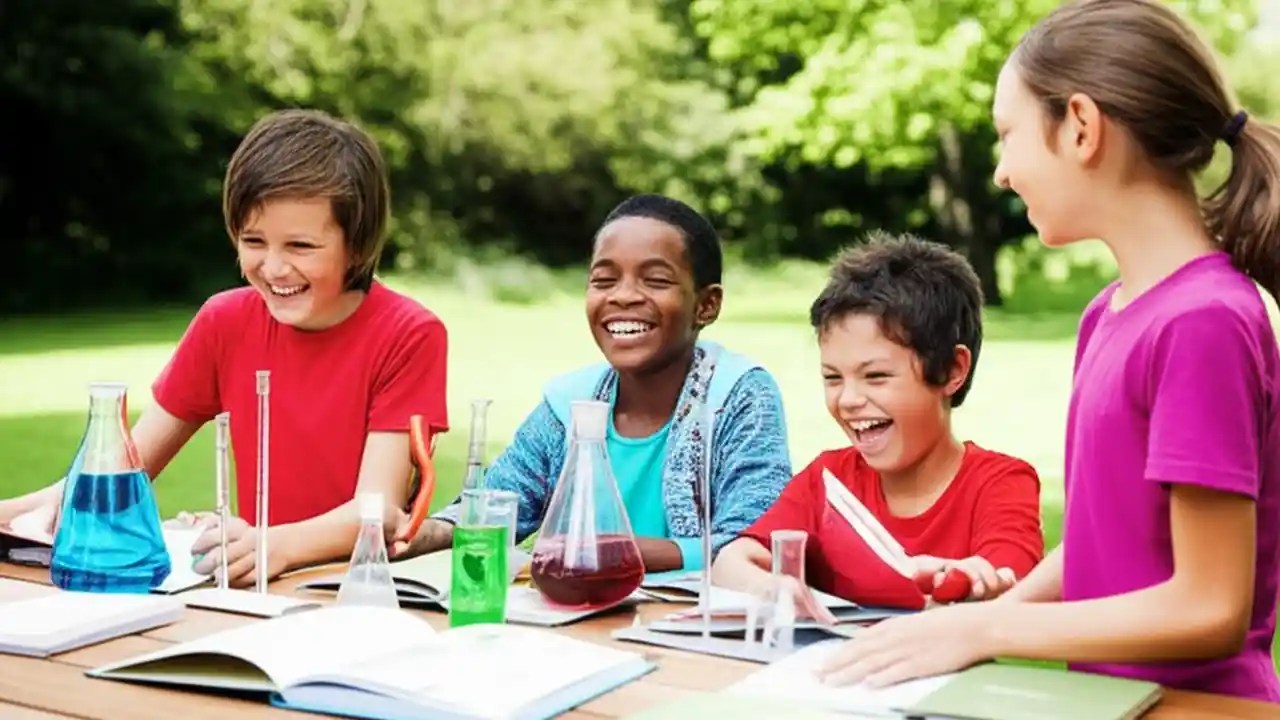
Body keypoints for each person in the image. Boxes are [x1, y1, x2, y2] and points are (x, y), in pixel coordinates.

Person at [817, 0, 1280, 702]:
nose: (1001, 171)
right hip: (1109, 705)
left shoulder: (1203, 322)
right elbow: (1109, 541)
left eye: (1009, 135)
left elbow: (1209, 608)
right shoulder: (1110, 313)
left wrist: (987, 635)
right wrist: (983, 619)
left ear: (1082, 128)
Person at [0, 109, 449, 587]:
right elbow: (122, 471)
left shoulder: (409, 333)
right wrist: (25, 510)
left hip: (353, 589)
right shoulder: (225, 321)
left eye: (299, 246)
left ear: (356, 245)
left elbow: (376, 510)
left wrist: (271, 543)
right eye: (254, 241)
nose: (273, 268)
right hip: (255, 585)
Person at [391, 194, 792, 572]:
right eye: (604, 280)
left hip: (690, 632)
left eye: (655, 280)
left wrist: (609, 550)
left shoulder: (739, 396)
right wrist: (425, 534)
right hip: (578, 623)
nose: (623, 296)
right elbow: (502, 506)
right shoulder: (570, 402)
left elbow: (754, 543)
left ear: (706, 305)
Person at [711, 232, 1043, 612]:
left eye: (876, 377)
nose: (848, 400)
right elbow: (732, 562)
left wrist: (965, 580)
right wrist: (771, 589)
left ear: (952, 370)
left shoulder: (999, 483)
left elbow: (1008, 575)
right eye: (833, 378)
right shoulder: (827, 481)